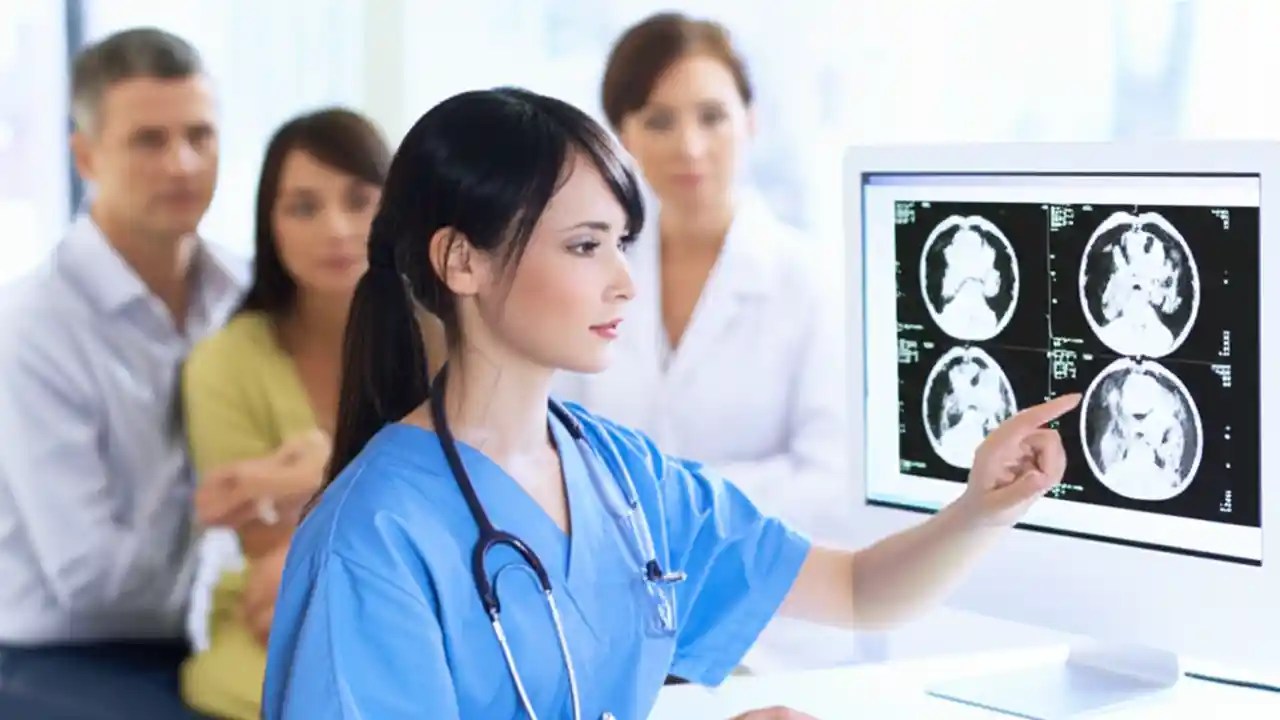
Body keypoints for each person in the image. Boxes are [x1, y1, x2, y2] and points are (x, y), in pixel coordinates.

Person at [259, 86, 1081, 720]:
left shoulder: (624, 477)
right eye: (584, 246)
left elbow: (860, 591)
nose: (622, 278)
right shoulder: (372, 540)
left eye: (621, 243)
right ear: (461, 261)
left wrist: (983, 507)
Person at [554, 11, 851, 672]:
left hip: (778, 634)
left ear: (752, 121)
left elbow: (830, 478)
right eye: (659, 120)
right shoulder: (585, 271)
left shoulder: (812, 281)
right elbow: (556, 442)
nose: (689, 147)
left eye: (712, 116)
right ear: (620, 134)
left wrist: (664, 512)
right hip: (618, 631)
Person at [0, 28, 242, 719]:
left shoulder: (248, 294)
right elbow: (93, 582)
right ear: (85, 155)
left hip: (213, 633)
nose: (183, 163)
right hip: (63, 660)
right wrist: (244, 529)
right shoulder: (29, 328)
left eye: (200, 135)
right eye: (149, 140)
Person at [177, 108, 440, 720]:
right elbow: (273, 560)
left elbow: (474, 502)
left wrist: (311, 474)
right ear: (269, 225)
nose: (338, 228)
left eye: (359, 199)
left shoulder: (444, 337)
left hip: (427, 607)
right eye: (303, 207)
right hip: (278, 628)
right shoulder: (225, 364)